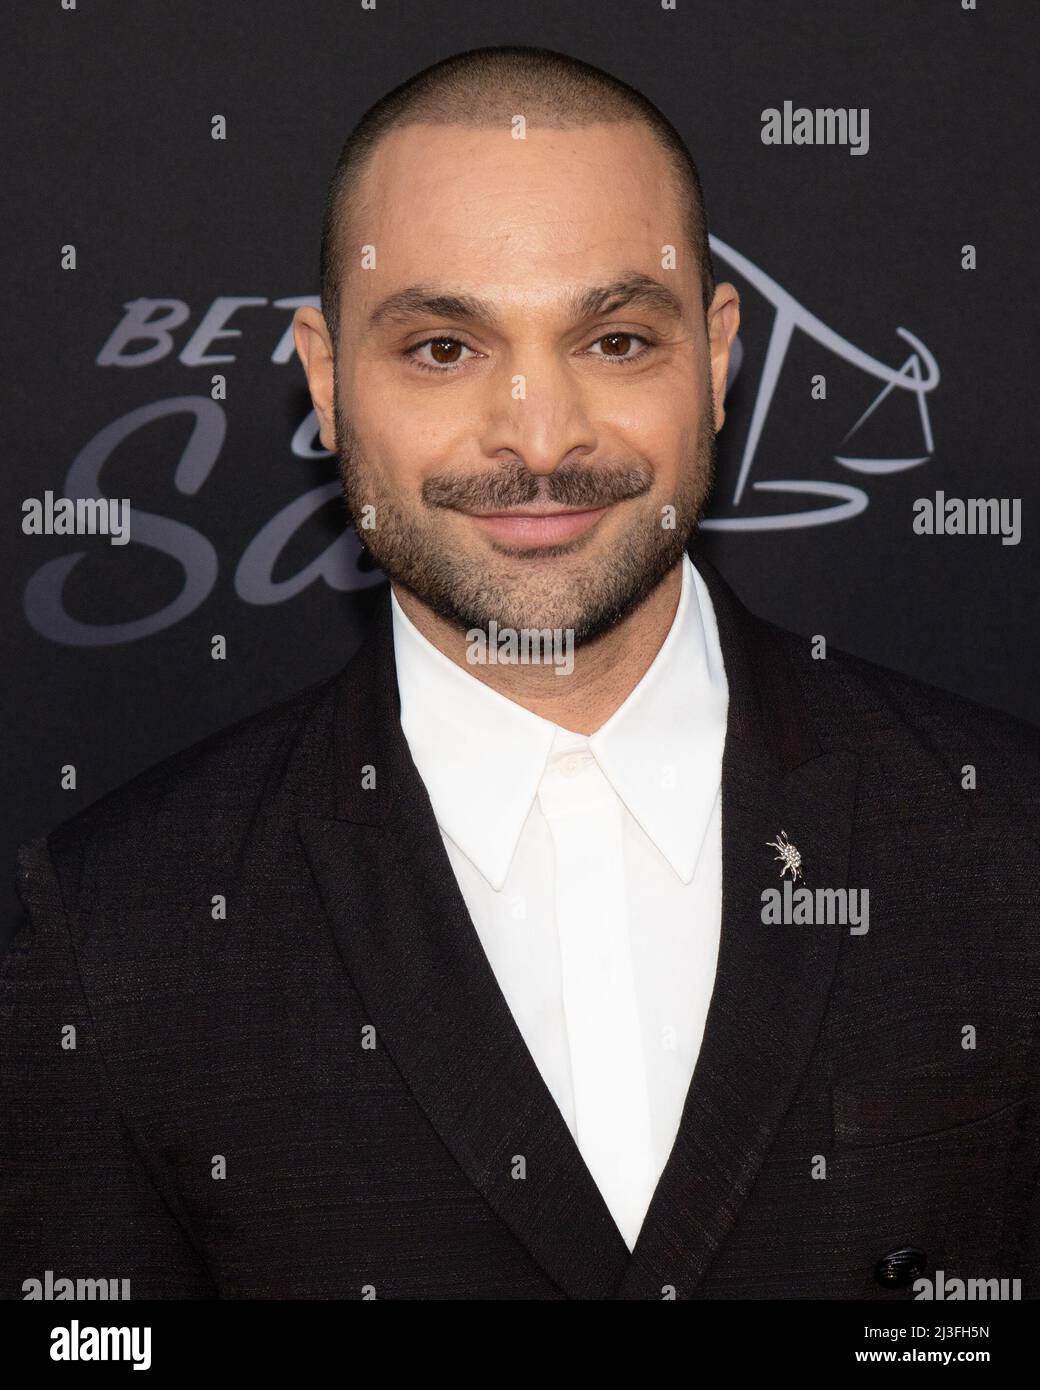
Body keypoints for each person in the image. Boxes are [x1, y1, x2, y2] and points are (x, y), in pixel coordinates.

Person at [3, 45, 1038, 1301]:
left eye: (611, 340)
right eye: (442, 348)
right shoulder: (115, 929)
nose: (538, 439)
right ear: (327, 382)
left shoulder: (1003, 843)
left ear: (714, 361)